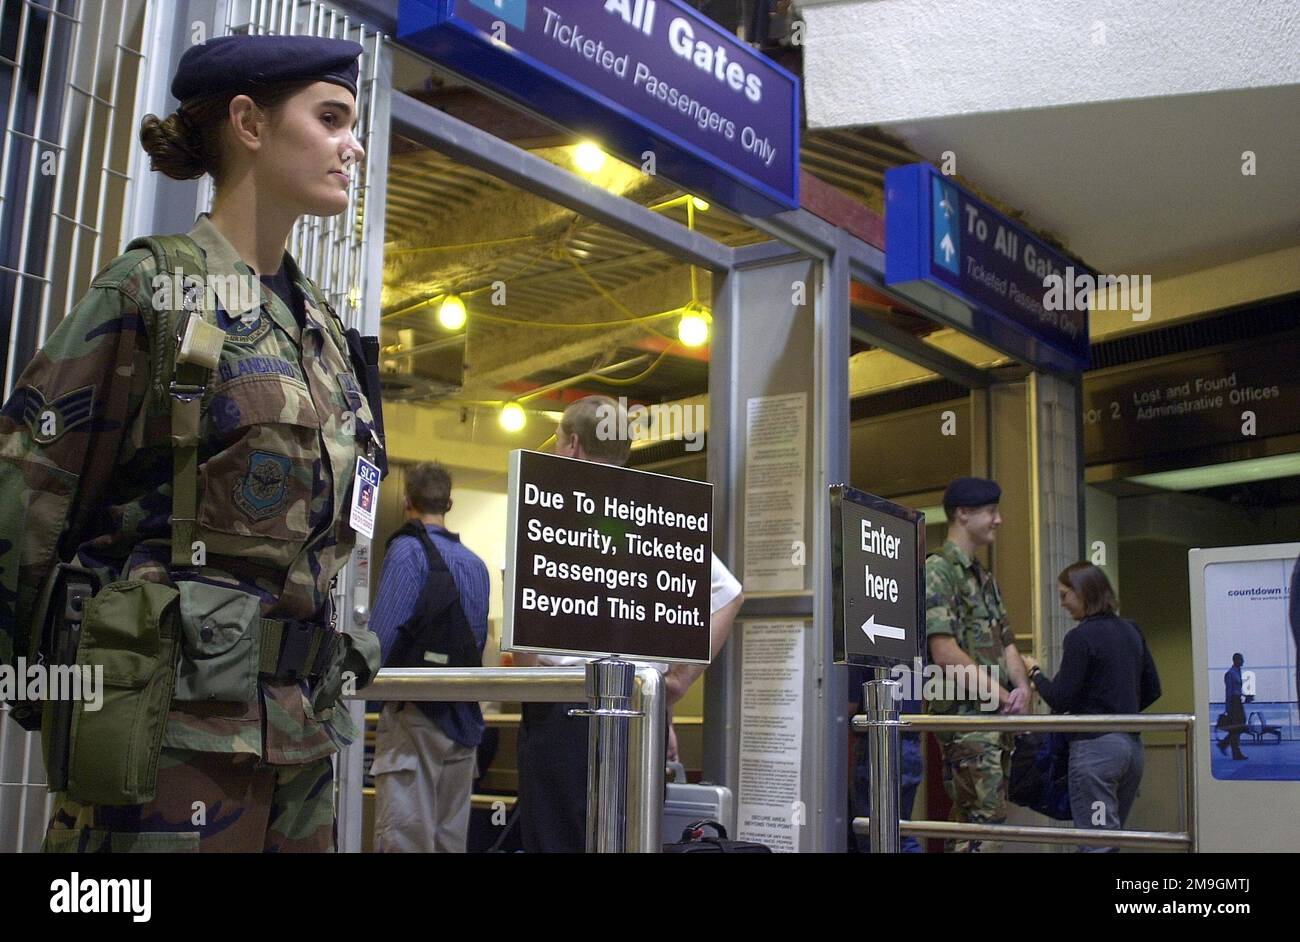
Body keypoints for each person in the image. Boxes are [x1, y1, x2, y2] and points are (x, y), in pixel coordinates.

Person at [0, 34, 383, 851]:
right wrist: (51, 688)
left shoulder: (319, 328)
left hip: (300, 741)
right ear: (249, 122)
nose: (354, 147)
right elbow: (26, 492)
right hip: (169, 745)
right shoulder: (154, 291)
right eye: (332, 118)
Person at [513, 395, 744, 853]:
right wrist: (674, 684)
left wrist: (531, 683)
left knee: (558, 840)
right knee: (629, 838)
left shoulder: (547, 506)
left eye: (557, 440)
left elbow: (524, 631)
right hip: (641, 711)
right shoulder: (656, 512)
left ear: (573, 445)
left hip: (564, 709)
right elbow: (729, 594)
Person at [369, 462, 490, 852]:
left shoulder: (407, 551)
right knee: (447, 841)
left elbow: (381, 639)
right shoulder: (475, 565)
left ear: (407, 502)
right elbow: (475, 638)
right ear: (450, 503)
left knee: (404, 837)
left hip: (416, 719)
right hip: (462, 719)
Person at [1023, 562, 1162, 851]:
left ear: (1083, 592)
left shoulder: (1080, 637)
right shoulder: (1131, 630)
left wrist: (1035, 674)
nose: (1062, 604)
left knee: (1096, 842)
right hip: (1132, 749)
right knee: (1109, 839)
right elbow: (1153, 689)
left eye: (1064, 595)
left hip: (1096, 752)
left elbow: (1061, 698)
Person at [925, 476, 1031, 852]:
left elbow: (1007, 643)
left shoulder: (984, 577)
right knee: (985, 823)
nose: (998, 520)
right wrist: (1004, 697)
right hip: (967, 720)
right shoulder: (939, 570)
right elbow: (944, 651)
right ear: (963, 513)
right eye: (991, 511)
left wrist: (1023, 692)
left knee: (978, 824)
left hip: (994, 720)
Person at [847, 665, 923, 853]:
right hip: (910, 742)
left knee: (875, 836)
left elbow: (848, 704)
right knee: (899, 833)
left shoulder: (865, 647)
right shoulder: (912, 644)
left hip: (876, 743)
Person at [1217, 653, 1249, 761]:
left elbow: (1237, 689)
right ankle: (1235, 751)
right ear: (1236, 660)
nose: (1243, 661)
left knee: (1239, 727)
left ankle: (1225, 744)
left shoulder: (1237, 672)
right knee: (1237, 727)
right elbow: (1229, 691)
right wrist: (1227, 708)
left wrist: (1245, 696)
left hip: (1238, 702)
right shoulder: (1230, 674)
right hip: (1234, 704)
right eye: (1241, 659)